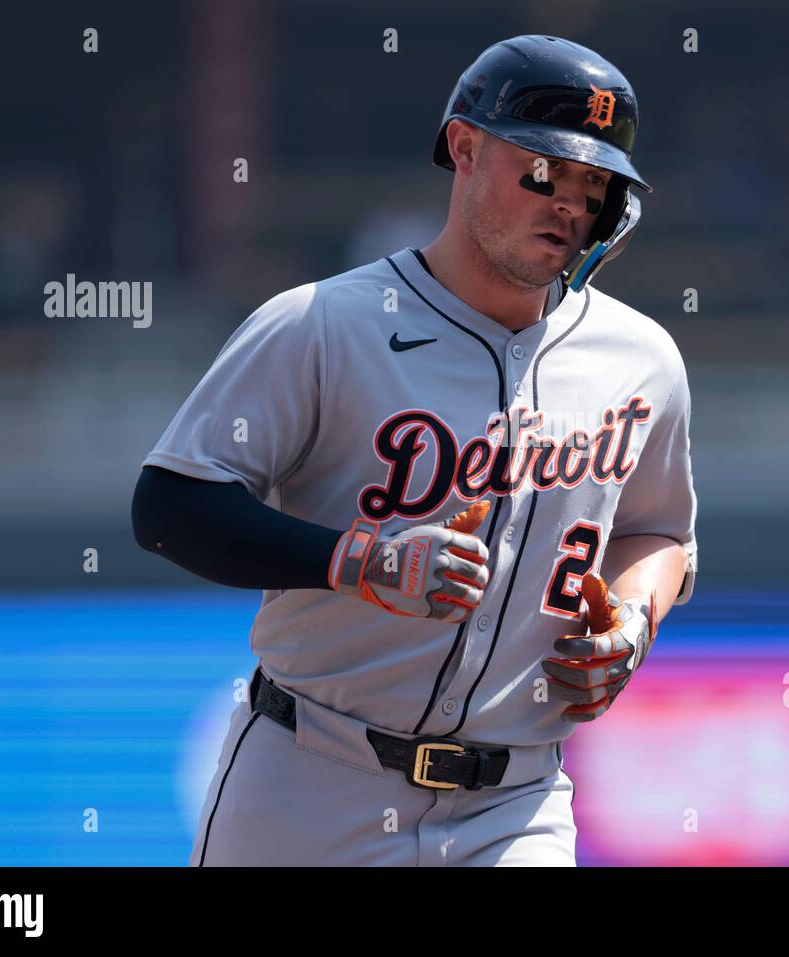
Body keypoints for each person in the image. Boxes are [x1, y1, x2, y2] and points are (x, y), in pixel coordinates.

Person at [131, 34, 698, 866]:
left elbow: (662, 536)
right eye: (542, 169)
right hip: (309, 776)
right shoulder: (324, 324)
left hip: (516, 802)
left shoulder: (641, 359)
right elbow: (171, 507)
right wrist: (362, 561)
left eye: (594, 183)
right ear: (464, 148)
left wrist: (632, 628)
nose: (568, 201)